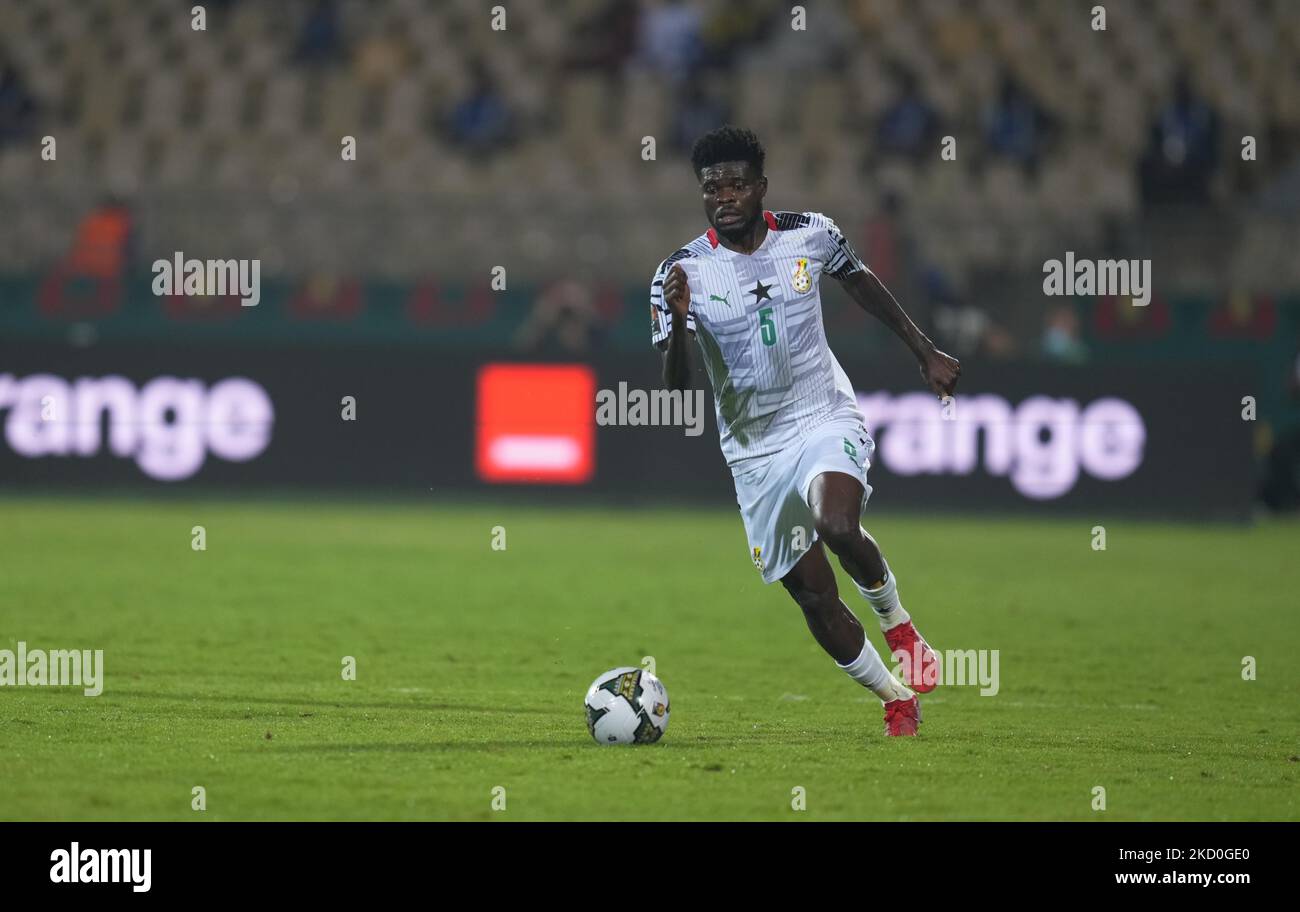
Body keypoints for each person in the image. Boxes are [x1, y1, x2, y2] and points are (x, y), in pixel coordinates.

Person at [652, 127, 961, 736]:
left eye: (737, 184)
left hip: (822, 413)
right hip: (753, 451)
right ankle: (895, 696)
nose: (725, 196)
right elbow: (678, 392)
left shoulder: (811, 233)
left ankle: (896, 620)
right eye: (712, 187)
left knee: (837, 524)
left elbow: (863, 282)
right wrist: (681, 320)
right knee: (815, 597)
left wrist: (924, 351)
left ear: (761, 188)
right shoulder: (679, 274)